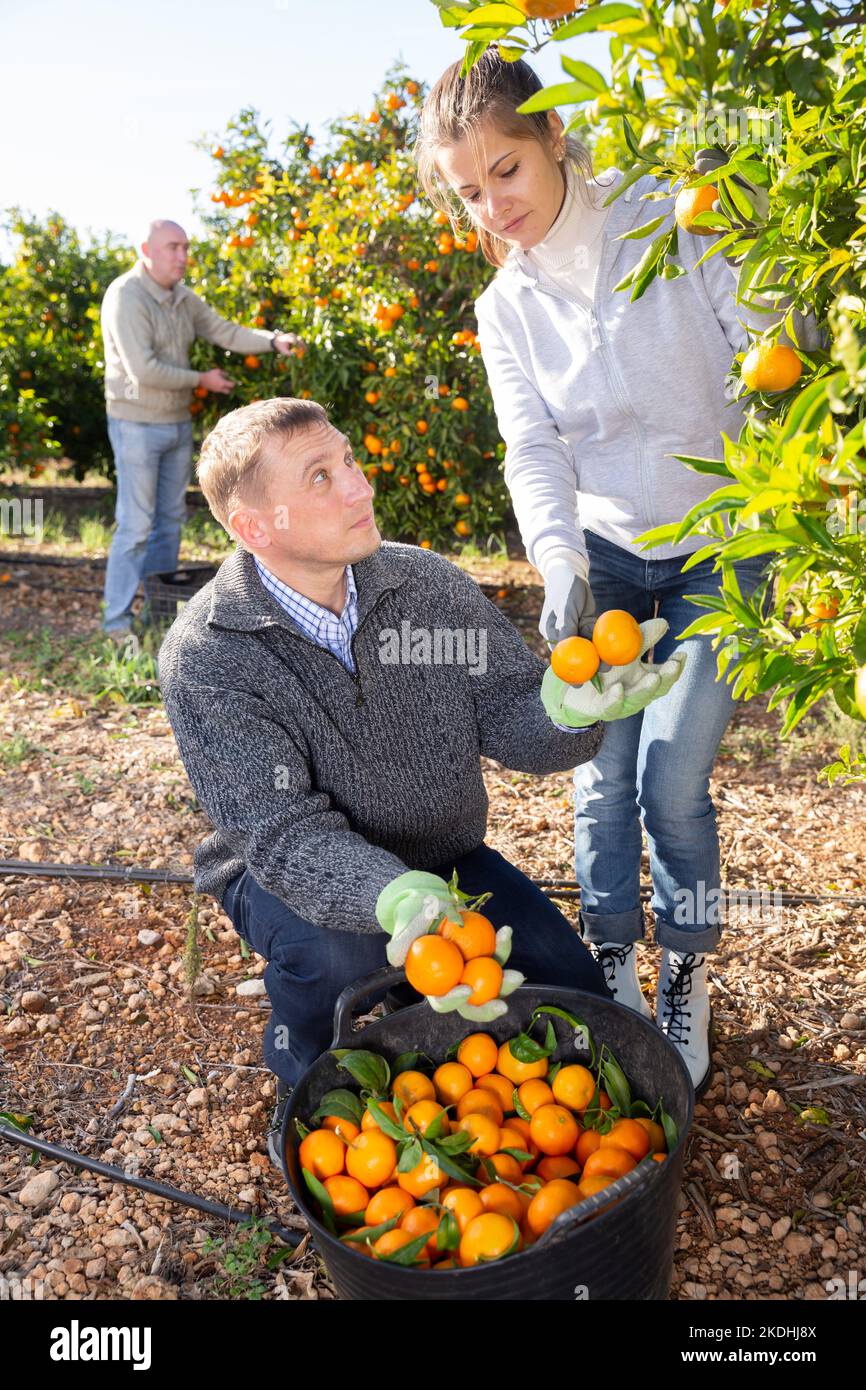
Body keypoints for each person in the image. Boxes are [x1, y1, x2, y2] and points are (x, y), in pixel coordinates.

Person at [415, 51, 824, 1094]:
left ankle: (682, 969)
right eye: (469, 190)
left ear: (553, 136)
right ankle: (610, 965)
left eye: (505, 169)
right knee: (597, 784)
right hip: (601, 554)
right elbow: (533, 448)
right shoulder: (504, 307)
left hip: (723, 542)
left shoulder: (668, 216)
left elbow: (773, 354)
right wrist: (556, 562)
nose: (493, 204)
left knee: (670, 781)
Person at [157, 396, 679, 1160]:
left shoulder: (425, 587)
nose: (360, 486)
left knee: (575, 1005)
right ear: (254, 526)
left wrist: (566, 712)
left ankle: (417, 992)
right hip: (281, 871)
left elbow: (510, 712)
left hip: (443, 858)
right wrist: (391, 896)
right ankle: (301, 1068)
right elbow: (280, 833)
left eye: (350, 462)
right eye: (321, 477)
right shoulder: (209, 653)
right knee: (343, 958)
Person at [99, 219, 301, 637]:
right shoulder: (126, 295)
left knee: (169, 519)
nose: (182, 256)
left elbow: (223, 331)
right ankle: (115, 624)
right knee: (136, 524)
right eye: (173, 247)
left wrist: (271, 340)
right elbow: (143, 369)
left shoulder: (183, 299)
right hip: (136, 424)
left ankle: (155, 612)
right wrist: (201, 380)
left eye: (185, 247)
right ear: (146, 249)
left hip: (176, 422)